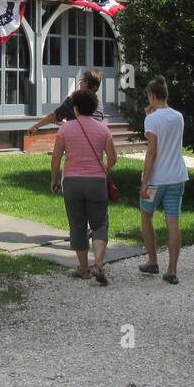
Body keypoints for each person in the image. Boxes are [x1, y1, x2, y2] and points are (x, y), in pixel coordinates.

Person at [50, 88, 117, 284]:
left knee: (77, 224)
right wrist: (104, 168)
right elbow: (113, 157)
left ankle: (84, 269)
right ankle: (98, 263)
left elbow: (56, 157)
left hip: (72, 181)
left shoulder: (65, 129)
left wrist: (54, 179)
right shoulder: (103, 129)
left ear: (76, 108)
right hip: (96, 181)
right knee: (99, 224)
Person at [138, 76, 186, 285]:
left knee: (146, 216)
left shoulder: (152, 119)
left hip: (156, 179)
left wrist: (144, 181)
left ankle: (152, 260)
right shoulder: (178, 116)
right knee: (173, 222)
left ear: (152, 95)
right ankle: (172, 270)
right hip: (177, 176)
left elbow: (151, 152)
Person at [28, 69, 103, 134]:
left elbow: (53, 116)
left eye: (81, 80)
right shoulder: (99, 103)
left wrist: (35, 126)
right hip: (95, 140)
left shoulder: (74, 100)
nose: (80, 83)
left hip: (77, 139)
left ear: (86, 83)